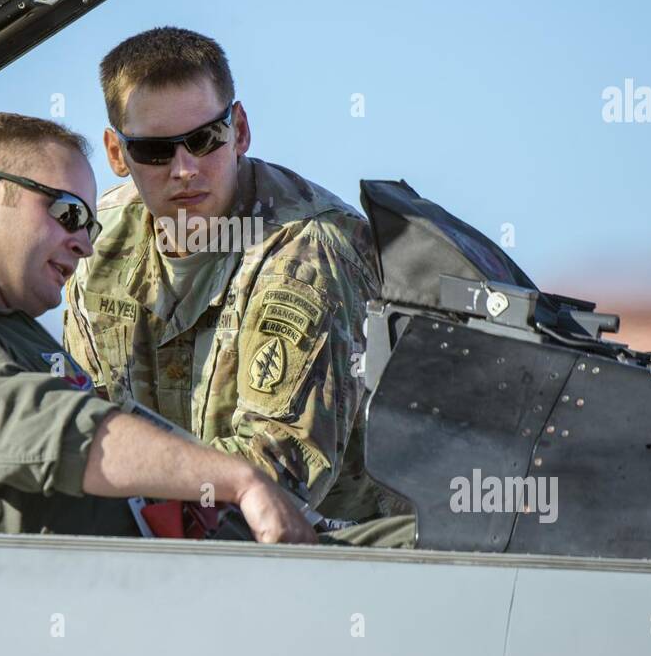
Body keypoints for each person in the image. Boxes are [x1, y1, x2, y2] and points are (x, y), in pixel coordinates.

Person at [0, 112, 315, 543]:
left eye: (91, 225)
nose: (85, 246)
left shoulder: (12, 339)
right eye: (68, 214)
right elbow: (39, 429)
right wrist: (239, 479)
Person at [63, 27, 405, 523]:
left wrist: (113, 476)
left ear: (239, 130)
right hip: (167, 552)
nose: (184, 169)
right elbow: (80, 421)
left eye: (204, 140)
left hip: (329, 559)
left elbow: (279, 472)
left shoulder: (307, 251)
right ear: (117, 154)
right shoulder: (99, 244)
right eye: (155, 151)